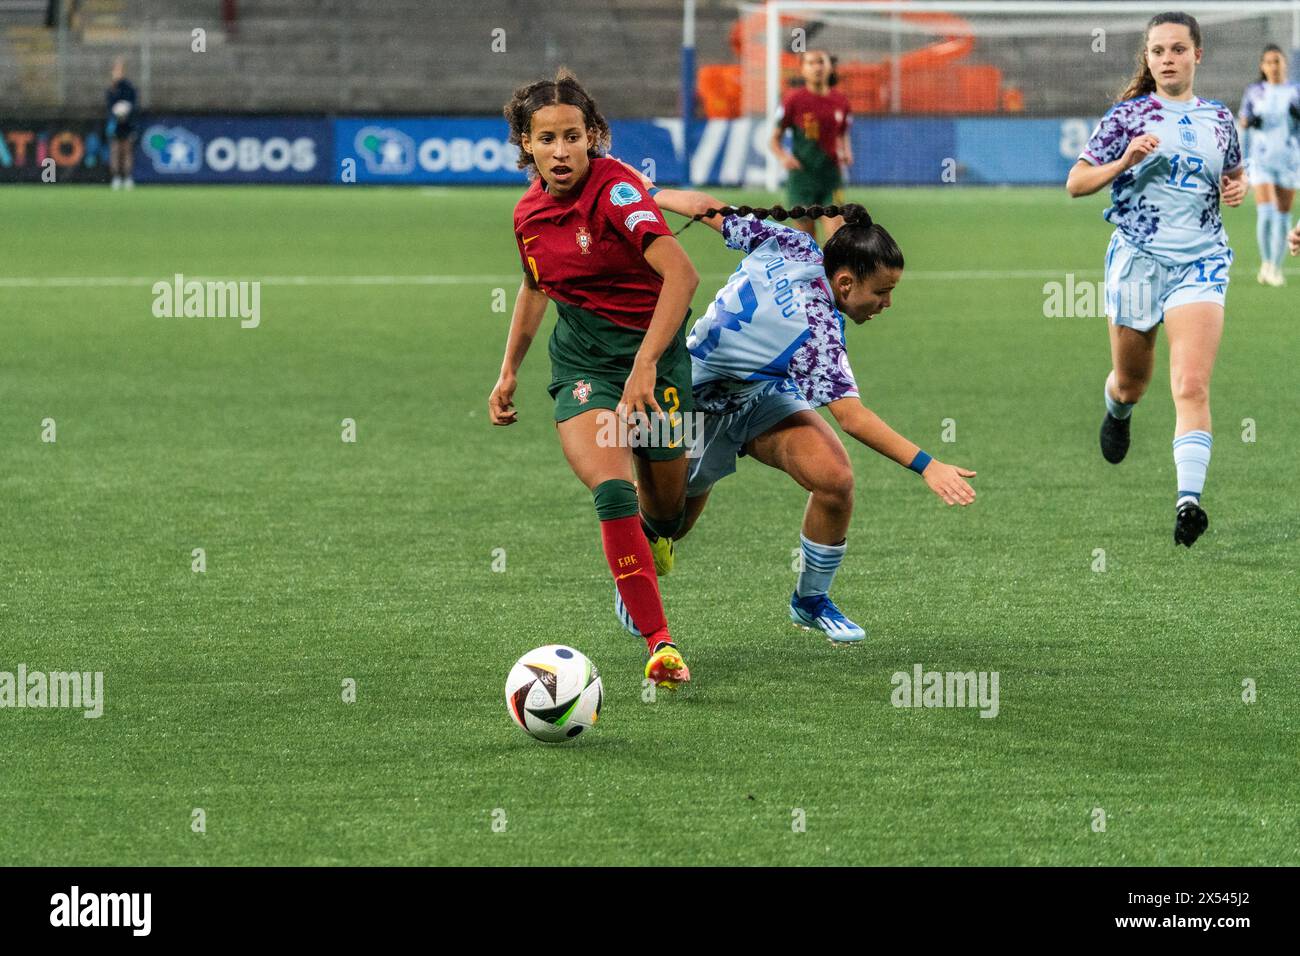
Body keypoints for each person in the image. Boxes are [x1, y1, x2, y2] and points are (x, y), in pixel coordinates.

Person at [615, 176, 976, 643]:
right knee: (670, 524)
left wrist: (648, 190)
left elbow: (705, 207)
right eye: (882, 292)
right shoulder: (818, 331)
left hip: (759, 395)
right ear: (845, 283)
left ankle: (810, 602)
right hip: (695, 406)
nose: (887, 303)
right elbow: (852, 417)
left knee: (835, 479)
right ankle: (637, 571)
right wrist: (928, 466)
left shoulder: (792, 242)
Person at [489, 70, 699, 687]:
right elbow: (534, 288)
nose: (561, 151)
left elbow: (682, 278)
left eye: (573, 137)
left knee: (667, 509)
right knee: (613, 492)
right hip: (583, 365)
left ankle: (651, 542)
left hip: (658, 360)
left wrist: (645, 368)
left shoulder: (617, 192)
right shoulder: (527, 215)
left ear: (592, 138)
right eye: (547, 139)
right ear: (525, 143)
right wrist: (508, 371)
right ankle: (660, 643)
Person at [1066, 12, 1246, 547]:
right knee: (1132, 382)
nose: (1167, 59)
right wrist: (1124, 160)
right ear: (1147, 59)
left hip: (1202, 263)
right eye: (1158, 51)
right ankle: (1117, 410)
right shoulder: (1128, 117)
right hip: (1139, 263)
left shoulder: (1219, 118)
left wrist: (1236, 188)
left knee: (1190, 385)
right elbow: (1077, 184)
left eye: (1178, 49)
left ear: (1197, 55)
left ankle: (1188, 502)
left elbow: (1233, 173)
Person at [769, 50, 853, 243]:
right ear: (803, 70)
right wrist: (784, 157)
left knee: (836, 237)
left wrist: (847, 151)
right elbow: (774, 139)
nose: (817, 67)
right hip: (802, 178)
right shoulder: (793, 100)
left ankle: (831, 273)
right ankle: (813, 273)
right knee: (807, 242)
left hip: (831, 177)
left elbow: (843, 131)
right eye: (811, 63)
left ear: (829, 67)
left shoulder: (841, 101)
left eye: (821, 62)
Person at [1238, 43, 1300, 286]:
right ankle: (1266, 264)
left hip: (1289, 160)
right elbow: (1243, 123)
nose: (1274, 66)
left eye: (1278, 61)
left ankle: (1275, 265)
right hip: (1261, 159)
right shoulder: (1254, 92)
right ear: (1262, 66)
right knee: (1265, 212)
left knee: (1283, 216)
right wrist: (1243, 159)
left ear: (1285, 63)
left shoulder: (1296, 91)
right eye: (1269, 62)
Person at [105, 57, 138, 190]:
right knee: (115, 151)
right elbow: (110, 106)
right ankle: (116, 178)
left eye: (120, 70)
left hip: (128, 123)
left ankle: (127, 177)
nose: (117, 73)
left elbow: (134, 105)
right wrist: (116, 113)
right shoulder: (111, 88)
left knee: (127, 151)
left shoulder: (129, 87)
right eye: (115, 70)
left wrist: (126, 113)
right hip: (115, 124)